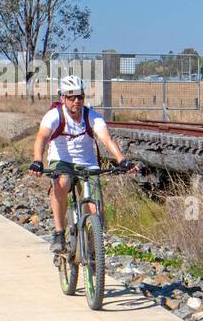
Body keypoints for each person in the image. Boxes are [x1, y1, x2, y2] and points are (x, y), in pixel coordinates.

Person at [28, 75, 135, 252]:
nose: (76, 101)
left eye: (80, 96)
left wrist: (122, 160)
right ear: (62, 98)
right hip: (61, 161)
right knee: (61, 183)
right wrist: (37, 161)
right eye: (71, 97)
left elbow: (106, 139)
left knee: (95, 210)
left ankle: (94, 251)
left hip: (87, 163)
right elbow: (42, 137)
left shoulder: (91, 115)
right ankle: (59, 232)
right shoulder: (54, 115)